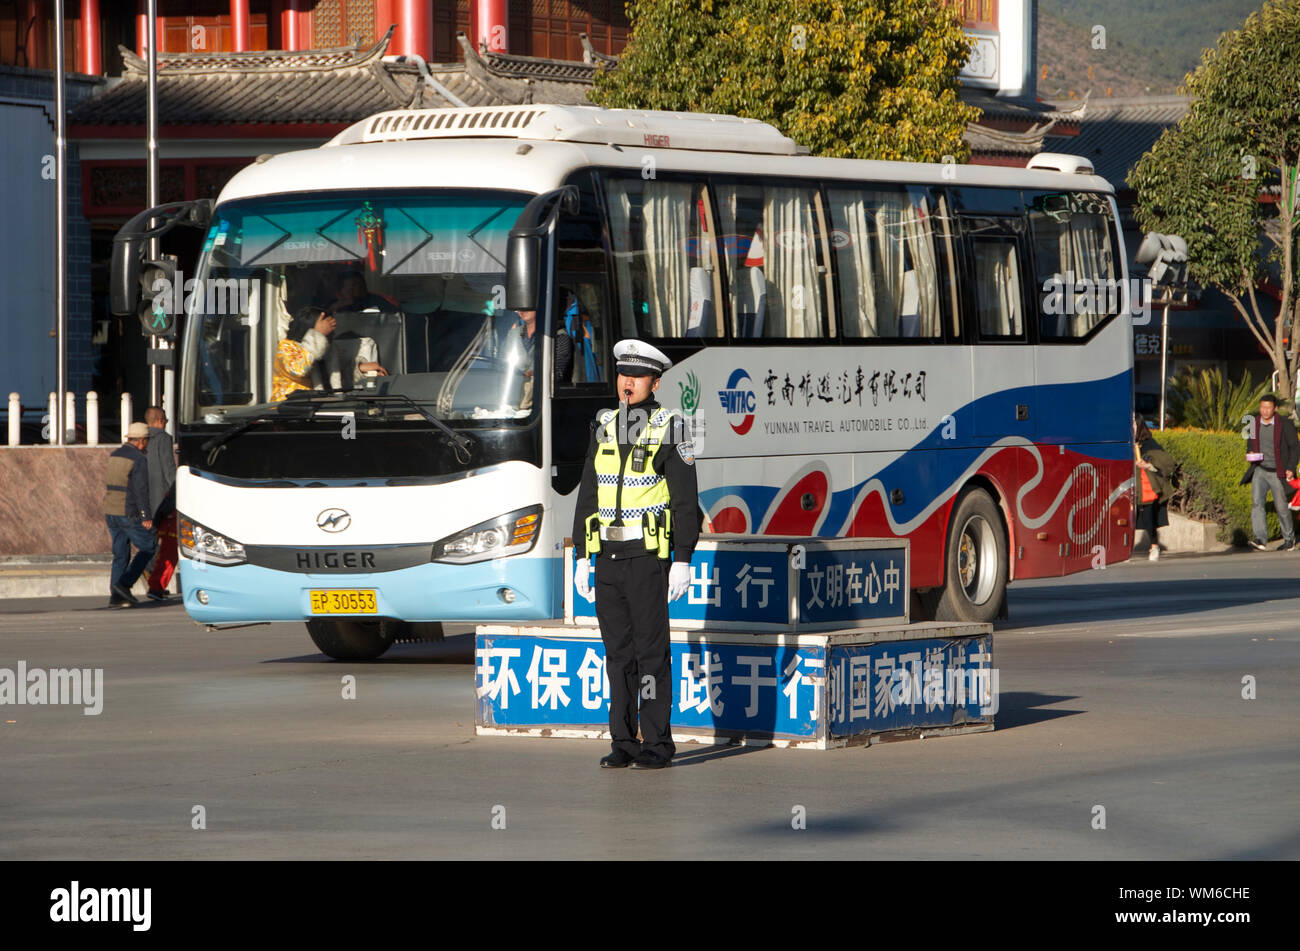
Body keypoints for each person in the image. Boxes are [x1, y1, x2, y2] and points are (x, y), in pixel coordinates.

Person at [572, 339, 699, 770]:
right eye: (623, 374)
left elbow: (685, 501)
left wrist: (682, 557)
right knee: (618, 654)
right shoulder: (604, 425)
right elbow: (588, 493)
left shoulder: (672, 427)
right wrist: (580, 557)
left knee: (650, 653)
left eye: (638, 376)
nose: (628, 381)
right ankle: (623, 741)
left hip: (647, 559)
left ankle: (657, 744)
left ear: (655, 382)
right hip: (607, 557)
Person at [272, 307, 387, 401]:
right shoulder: (285, 347)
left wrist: (360, 369)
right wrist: (318, 334)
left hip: (320, 409)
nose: (329, 334)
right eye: (326, 329)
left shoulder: (327, 349)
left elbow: (336, 379)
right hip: (290, 412)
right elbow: (299, 369)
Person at [104, 422, 156, 607]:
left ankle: (116, 596)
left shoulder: (114, 455)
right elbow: (141, 490)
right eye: (147, 441)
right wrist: (146, 516)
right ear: (141, 441)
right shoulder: (138, 458)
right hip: (127, 511)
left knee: (120, 553)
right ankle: (124, 584)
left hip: (110, 510)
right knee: (149, 546)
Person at [1242, 393, 1299, 551]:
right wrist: (1251, 453)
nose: (1264, 411)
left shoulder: (1285, 424)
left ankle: (1289, 539)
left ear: (1274, 409)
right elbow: (1250, 443)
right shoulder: (1254, 423)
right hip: (1259, 469)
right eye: (1262, 407)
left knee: (1281, 507)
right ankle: (1260, 539)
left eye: (1268, 408)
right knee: (1257, 503)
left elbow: (1295, 447)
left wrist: (1290, 468)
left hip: (1278, 471)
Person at [143, 406, 177, 600]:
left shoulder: (141, 440)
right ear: (159, 420)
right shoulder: (163, 439)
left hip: (144, 502)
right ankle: (156, 584)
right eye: (165, 421)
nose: (166, 424)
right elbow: (169, 470)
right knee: (169, 546)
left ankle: (153, 581)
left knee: (151, 542)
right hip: (163, 500)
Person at [1133, 414, 1175, 561]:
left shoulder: (1150, 443)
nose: (1131, 427)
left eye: (1134, 424)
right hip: (1129, 487)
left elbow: (1167, 464)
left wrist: (1149, 465)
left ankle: (1154, 546)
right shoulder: (1124, 443)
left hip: (1147, 487)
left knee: (1149, 519)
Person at [326, 270, 397, 314]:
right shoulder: (334, 304)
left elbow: (394, 316)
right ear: (340, 291)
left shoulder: (377, 301)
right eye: (351, 288)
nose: (357, 288)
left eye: (358, 285)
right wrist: (336, 307)